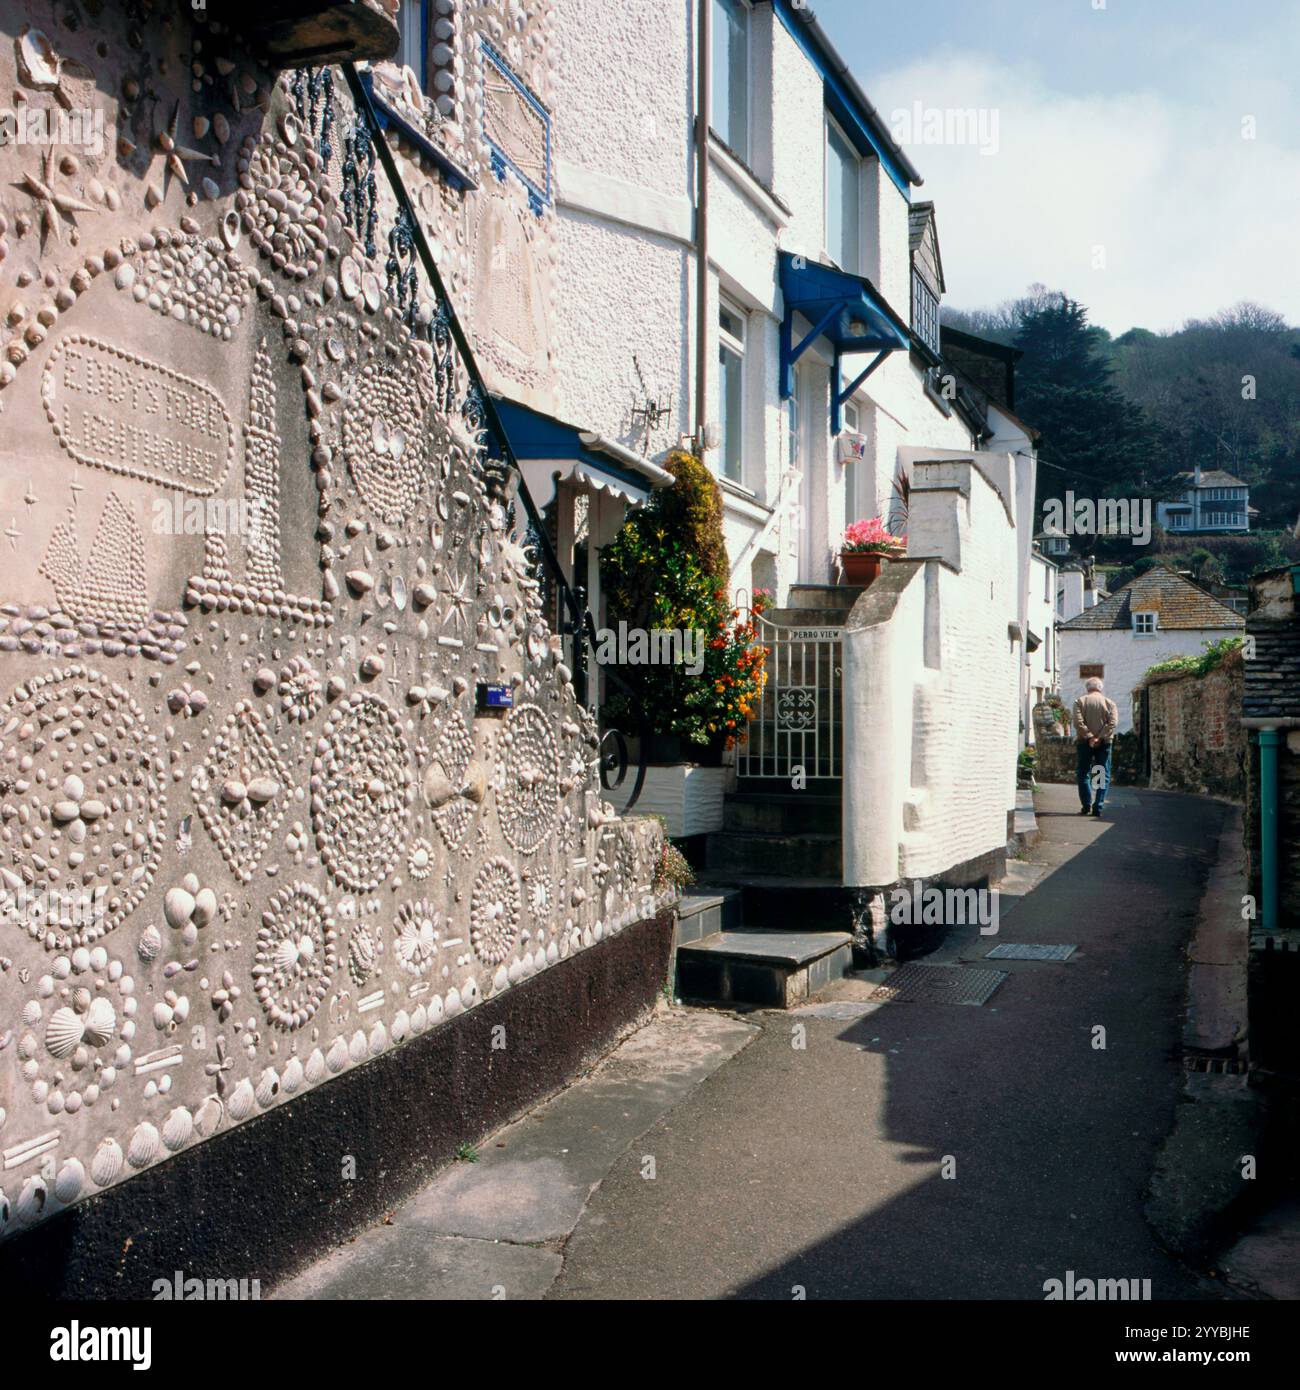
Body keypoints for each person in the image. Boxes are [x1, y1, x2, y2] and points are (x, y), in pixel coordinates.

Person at [1073, 676, 1119, 818]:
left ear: (1087, 688)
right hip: (1104, 742)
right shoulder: (1110, 703)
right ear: (1100, 688)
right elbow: (1112, 723)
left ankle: (1086, 805)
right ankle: (1097, 806)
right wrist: (1099, 737)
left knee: (1084, 773)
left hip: (1084, 742)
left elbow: (1077, 722)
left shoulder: (1080, 701)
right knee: (1100, 773)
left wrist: (1089, 737)